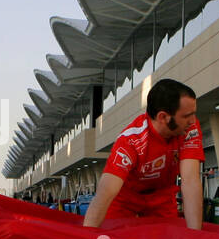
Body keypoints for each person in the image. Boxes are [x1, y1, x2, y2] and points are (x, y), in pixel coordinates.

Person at [82, 78, 205, 230]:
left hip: (162, 197)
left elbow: (191, 180)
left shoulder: (189, 129)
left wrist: (195, 237)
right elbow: (106, 190)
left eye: (193, 114)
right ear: (163, 117)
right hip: (126, 199)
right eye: (186, 116)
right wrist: (87, 238)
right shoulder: (131, 141)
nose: (193, 120)